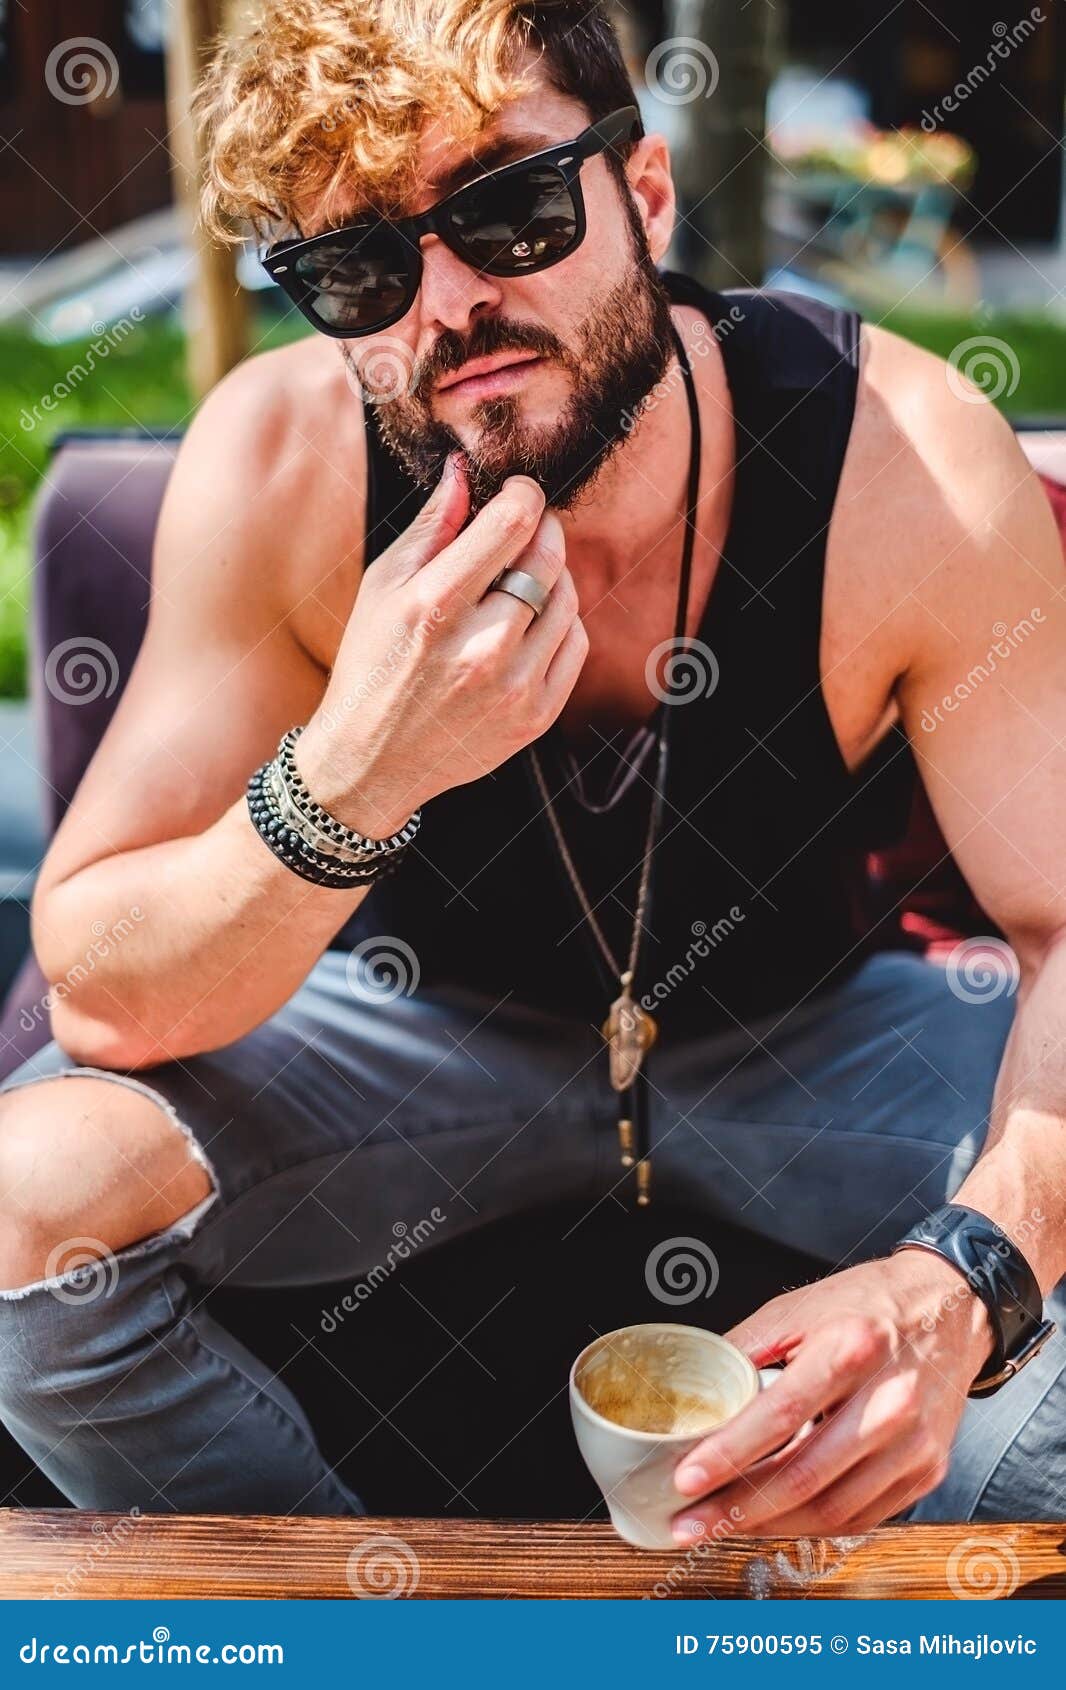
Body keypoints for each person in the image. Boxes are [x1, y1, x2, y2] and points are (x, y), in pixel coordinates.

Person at [1, 0, 1064, 1538]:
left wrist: (969, 1275)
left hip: (803, 1028)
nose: (446, 307)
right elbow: (98, 975)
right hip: (409, 1027)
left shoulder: (900, 457)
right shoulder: (285, 463)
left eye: (505, 208)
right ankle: (361, 1635)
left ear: (639, 198)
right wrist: (354, 776)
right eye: (358, 267)